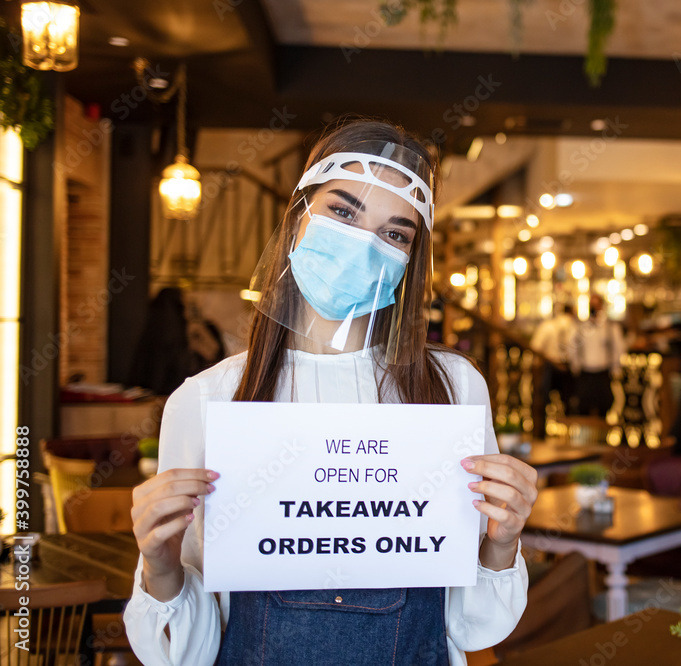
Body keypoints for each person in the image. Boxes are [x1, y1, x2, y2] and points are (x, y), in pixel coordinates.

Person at [124, 119, 538, 665]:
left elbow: (469, 626)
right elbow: (192, 652)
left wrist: (501, 543)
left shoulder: (454, 387)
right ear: (298, 219)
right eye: (343, 212)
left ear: (410, 260)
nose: (363, 244)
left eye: (395, 233)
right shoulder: (208, 398)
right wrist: (160, 565)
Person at [569, 295, 625, 417]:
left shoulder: (610, 328)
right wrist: (575, 365)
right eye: (591, 305)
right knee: (583, 408)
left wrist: (616, 368)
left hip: (603, 374)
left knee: (604, 407)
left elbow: (618, 349)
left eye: (596, 305)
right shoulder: (581, 327)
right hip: (586, 374)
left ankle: (601, 435)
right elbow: (572, 347)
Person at [529, 302, 577, 410]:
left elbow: (535, 347)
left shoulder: (547, 326)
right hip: (565, 367)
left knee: (545, 402)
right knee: (568, 403)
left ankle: (545, 423)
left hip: (550, 366)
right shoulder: (575, 327)